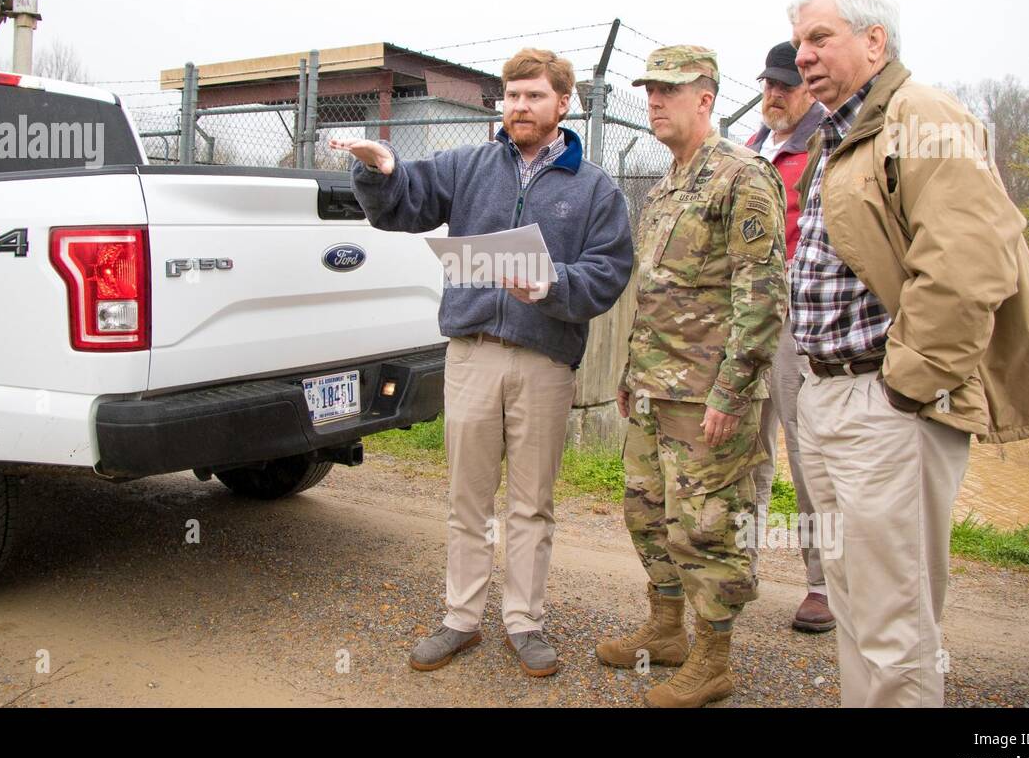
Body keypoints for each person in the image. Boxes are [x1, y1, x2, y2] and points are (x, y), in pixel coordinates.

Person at [787, 0, 1029, 707]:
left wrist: (907, 385)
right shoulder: (839, 134)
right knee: (853, 599)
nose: (803, 55)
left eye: (819, 37)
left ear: (875, 41)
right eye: (798, 43)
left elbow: (967, 265)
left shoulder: (922, 117)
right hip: (827, 395)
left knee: (895, 621)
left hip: (884, 402)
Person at [334, 49, 633, 678]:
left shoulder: (595, 188)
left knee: (531, 503)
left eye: (534, 96)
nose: (519, 107)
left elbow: (609, 272)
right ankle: (461, 619)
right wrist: (381, 170)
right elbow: (403, 204)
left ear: (563, 104)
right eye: (511, 96)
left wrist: (551, 285)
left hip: (544, 360)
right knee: (467, 498)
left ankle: (524, 622)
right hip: (471, 354)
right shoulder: (468, 165)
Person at [595, 45, 786, 707]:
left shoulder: (742, 176)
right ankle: (666, 628)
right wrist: (630, 373)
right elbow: (656, 294)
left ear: (705, 99)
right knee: (647, 514)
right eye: (649, 90)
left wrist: (734, 392)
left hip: (708, 396)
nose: (654, 101)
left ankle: (713, 659)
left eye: (668, 91)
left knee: (707, 526)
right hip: (655, 388)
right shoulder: (668, 183)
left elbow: (761, 295)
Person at [743, 41, 832, 632]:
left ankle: (823, 583)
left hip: (799, 321)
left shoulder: (826, 145)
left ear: (808, 88)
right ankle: (740, 566)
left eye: (786, 85)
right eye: (769, 84)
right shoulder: (754, 145)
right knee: (745, 448)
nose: (775, 94)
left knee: (807, 455)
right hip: (747, 314)